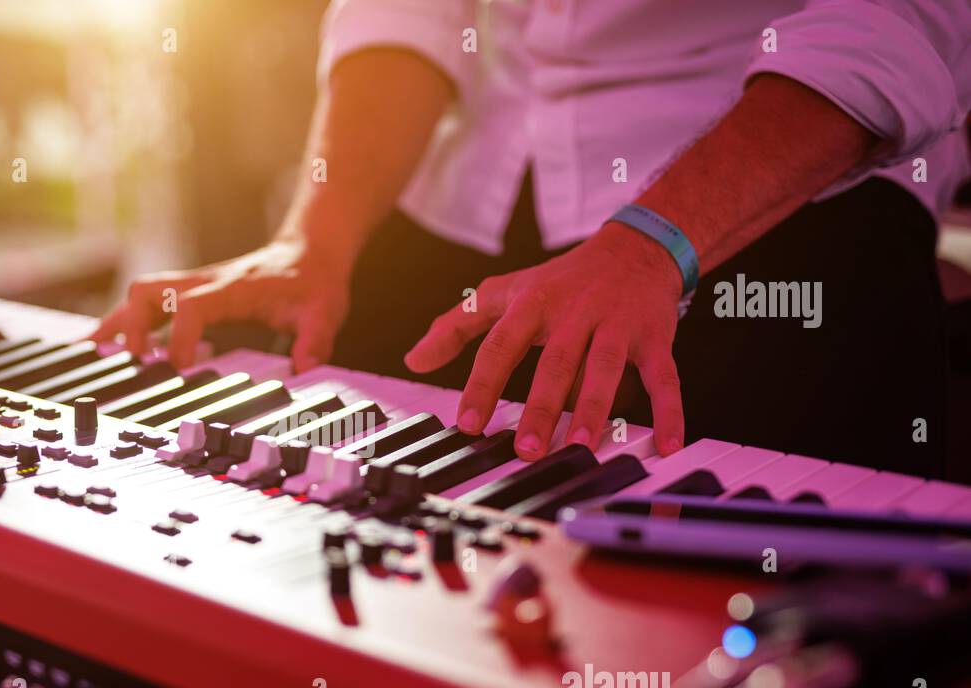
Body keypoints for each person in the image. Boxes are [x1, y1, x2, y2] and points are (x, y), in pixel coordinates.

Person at [92, 0, 971, 477]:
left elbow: (897, 18)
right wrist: (313, 242)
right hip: (471, 185)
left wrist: (652, 242)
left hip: (780, 189)